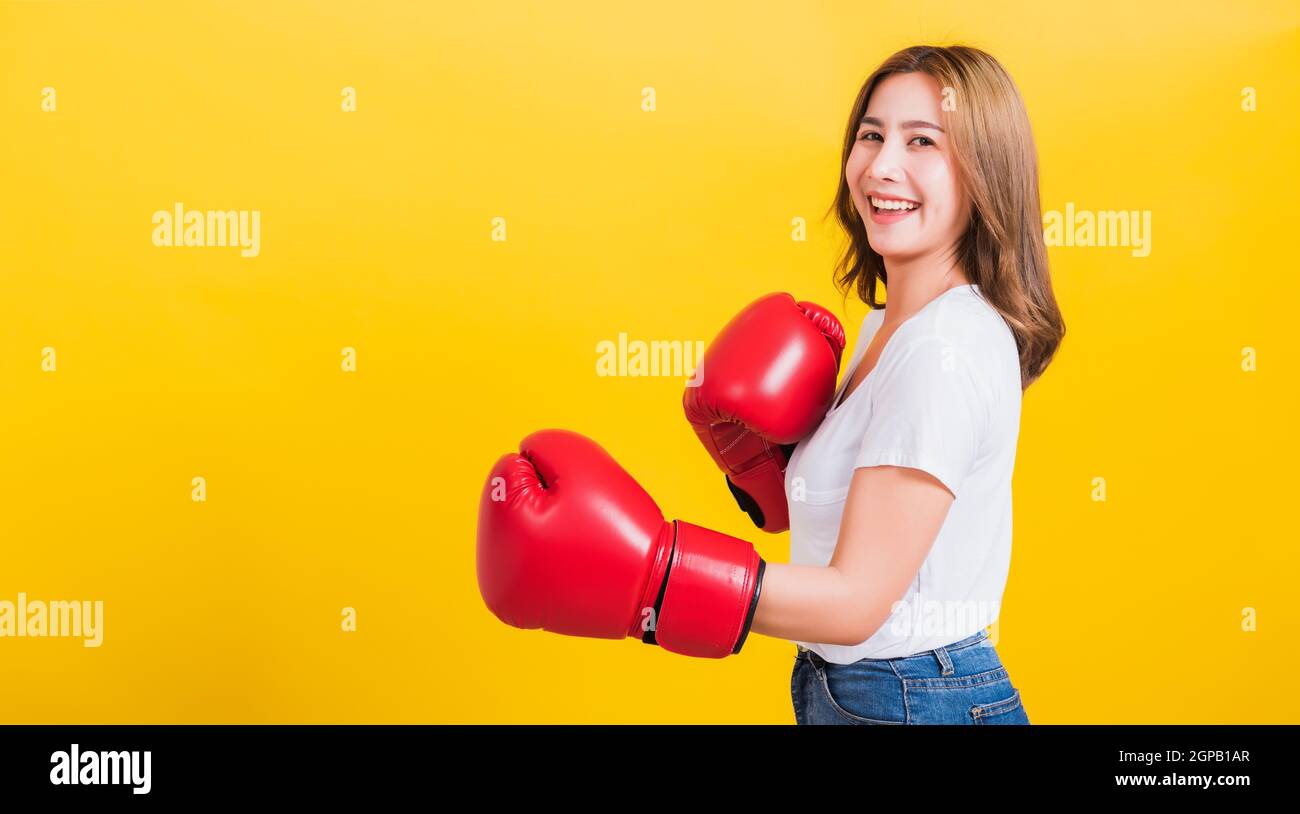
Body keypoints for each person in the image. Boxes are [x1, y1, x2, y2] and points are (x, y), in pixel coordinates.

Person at [746, 44, 1066, 724]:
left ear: (985, 173)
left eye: (922, 141)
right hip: (879, 693)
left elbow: (857, 599)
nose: (881, 166)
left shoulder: (940, 347)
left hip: (914, 696)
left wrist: (655, 574)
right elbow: (827, 524)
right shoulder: (881, 332)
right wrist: (756, 461)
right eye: (871, 134)